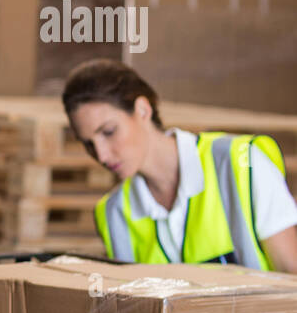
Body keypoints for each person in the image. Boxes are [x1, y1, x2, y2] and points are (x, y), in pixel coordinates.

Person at [63, 58, 297, 273]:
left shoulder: (242, 163)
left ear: (143, 110)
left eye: (109, 132)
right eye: (89, 144)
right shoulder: (114, 214)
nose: (101, 155)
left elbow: (291, 276)